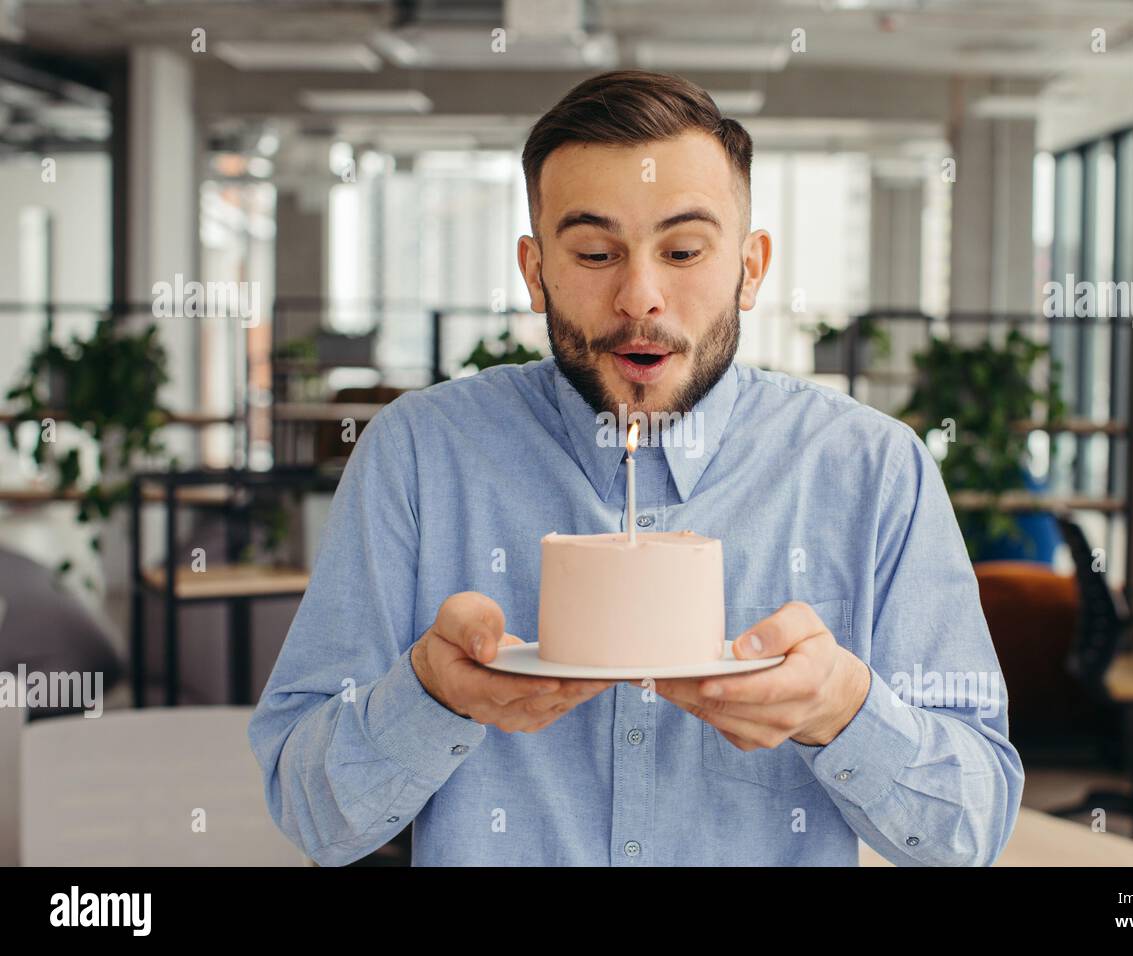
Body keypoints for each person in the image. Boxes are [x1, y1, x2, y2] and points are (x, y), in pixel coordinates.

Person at [249, 70, 1023, 866]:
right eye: (593, 252)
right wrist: (431, 695)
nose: (640, 296)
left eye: (684, 250)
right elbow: (315, 818)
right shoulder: (417, 453)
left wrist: (841, 708)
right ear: (535, 270)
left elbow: (970, 833)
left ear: (751, 269)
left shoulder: (874, 471)